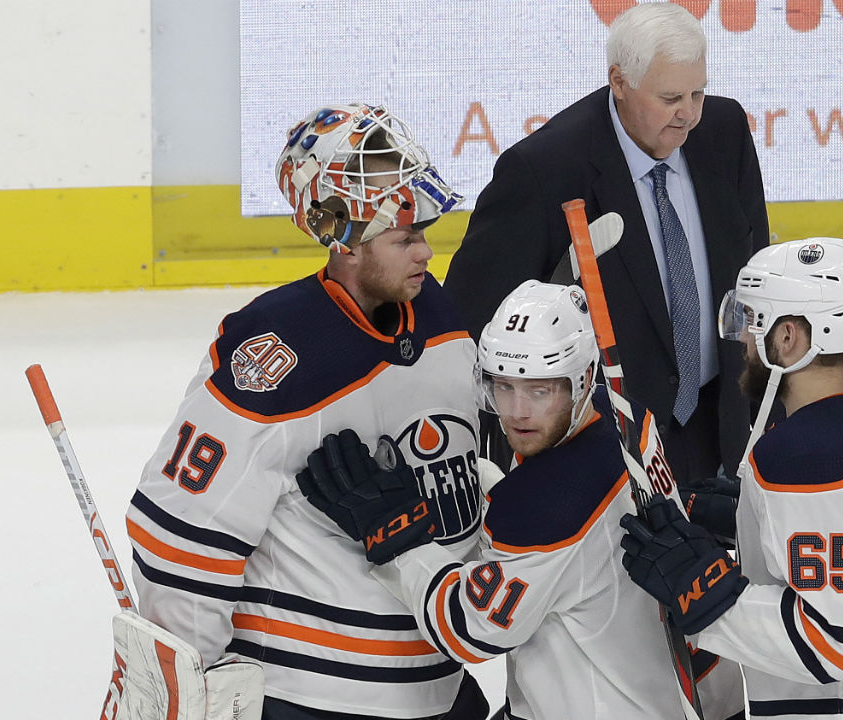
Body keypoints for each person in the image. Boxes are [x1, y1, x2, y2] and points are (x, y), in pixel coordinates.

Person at [121, 104, 488, 720]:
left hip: (441, 681)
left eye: (424, 232)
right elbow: (182, 532)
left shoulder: (443, 321)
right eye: (403, 238)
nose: (425, 252)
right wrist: (198, 680)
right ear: (342, 238)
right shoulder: (276, 354)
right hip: (311, 695)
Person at [296, 280, 744, 720]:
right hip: (694, 695)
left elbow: (469, 629)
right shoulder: (629, 420)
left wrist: (395, 537)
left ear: (583, 379)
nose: (516, 412)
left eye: (539, 390)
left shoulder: (545, 506)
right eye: (503, 386)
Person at [619, 238, 843, 719]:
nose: (740, 340)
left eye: (751, 323)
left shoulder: (807, 455)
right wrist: (754, 519)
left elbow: (835, 642)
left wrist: (699, 587)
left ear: (788, 338)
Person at [443, 2, 769, 487]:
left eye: (698, 93)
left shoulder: (723, 132)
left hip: (717, 433)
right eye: (670, 97)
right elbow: (470, 322)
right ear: (618, 82)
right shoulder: (542, 170)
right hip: (602, 455)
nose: (689, 115)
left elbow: (752, 278)